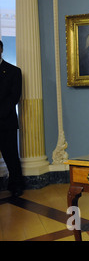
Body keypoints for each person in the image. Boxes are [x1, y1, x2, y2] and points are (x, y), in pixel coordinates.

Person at [0, 40, 24, 197]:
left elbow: (14, 97)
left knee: (11, 156)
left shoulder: (14, 71)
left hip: (6, 121)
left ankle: (15, 185)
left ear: (1, 49)